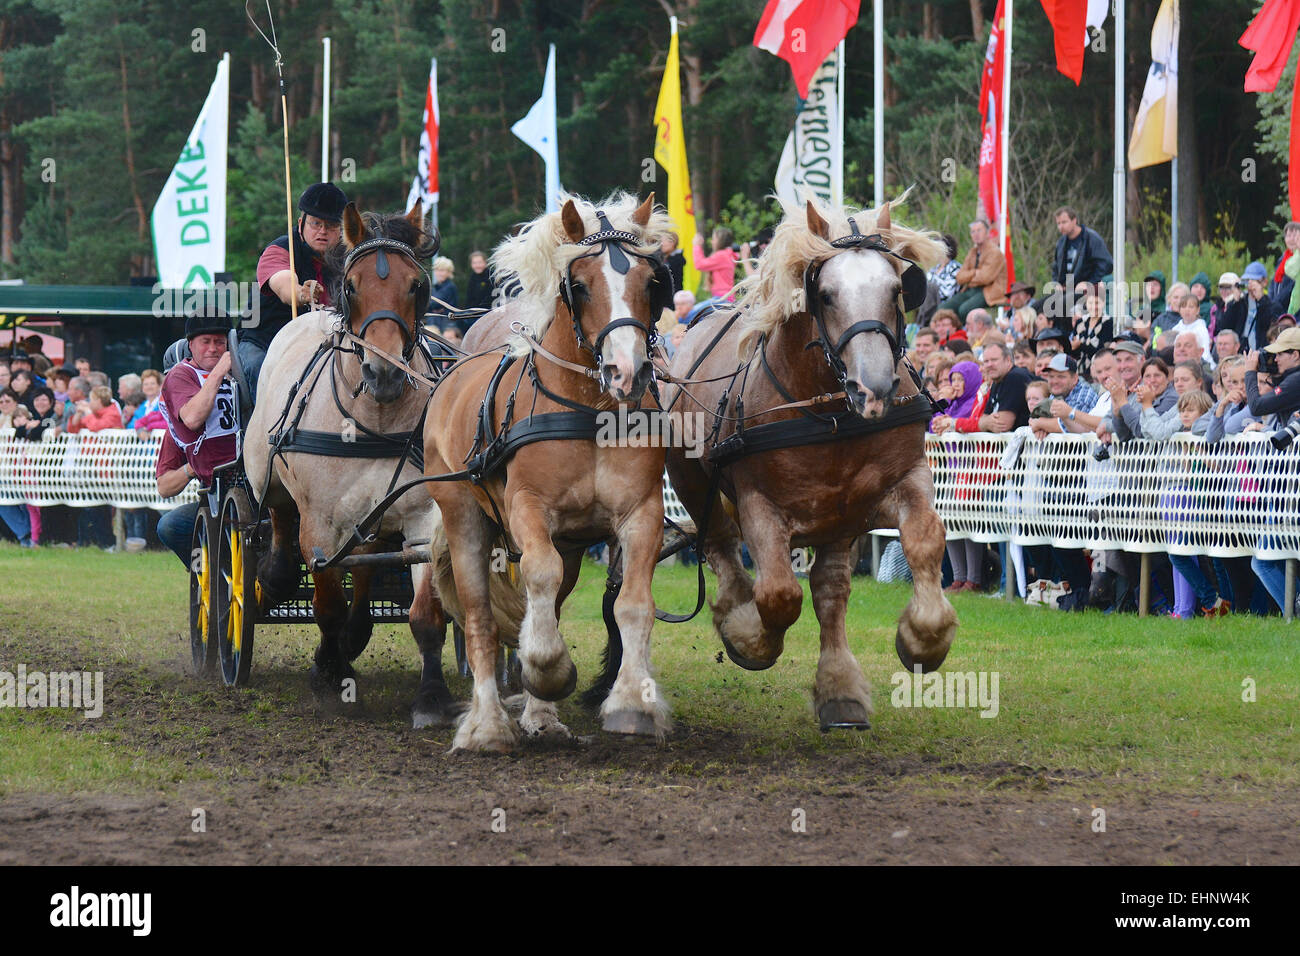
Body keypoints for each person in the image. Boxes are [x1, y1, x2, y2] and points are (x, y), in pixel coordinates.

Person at [243, 181, 348, 399]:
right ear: (301, 223)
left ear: (341, 231)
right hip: (264, 341)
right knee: (258, 368)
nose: (322, 231)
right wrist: (301, 293)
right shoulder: (279, 249)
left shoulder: (348, 261)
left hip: (321, 345)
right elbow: (284, 285)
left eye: (330, 226)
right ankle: (259, 431)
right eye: (316, 223)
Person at [161, 310, 239, 487]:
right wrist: (219, 371)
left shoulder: (238, 369)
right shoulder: (180, 374)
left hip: (249, 459)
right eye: (206, 342)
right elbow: (193, 418)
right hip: (216, 472)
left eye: (219, 342)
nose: (213, 348)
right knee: (172, 517)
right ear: (190, 345)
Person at [938, 218, 1007, 320]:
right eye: (973, 231)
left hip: (989, 292)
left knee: (964, 310)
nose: (976, 234)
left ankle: (963, 334)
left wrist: (969, 277)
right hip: (970, 290)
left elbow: (985, 278)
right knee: (943, 309)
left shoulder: (995, 253)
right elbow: (959, 277)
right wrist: (975, 273)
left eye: (979, 230)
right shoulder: (973, 252)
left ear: (987, 233)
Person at [1051, 206, 1113, 290]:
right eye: (1058, 223)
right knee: (1039, 303)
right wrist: (1057, 283)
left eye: (1064, 222)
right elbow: (1055, 267)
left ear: (1074, 221)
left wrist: (1090, 283)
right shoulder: (1061, 243)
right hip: (1066, 290)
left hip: (1087, 291)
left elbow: (1106, 264)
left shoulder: (1091, 238)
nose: (1061, 227)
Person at [1222, 261, 1276, 352]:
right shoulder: (1240, 303)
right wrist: (1235, 301)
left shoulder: (1270, 304)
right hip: (1240, 351)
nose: (1250, 284)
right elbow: (1224, 326)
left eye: (1254, 280)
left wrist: (1261, 300)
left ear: (1264, 282)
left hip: (1260, 352)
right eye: (1247, 280)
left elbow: (1267, 324)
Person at [692, 227, 741, 304]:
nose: (711, 242)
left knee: (691, 314)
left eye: (713, 239)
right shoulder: (727, 254)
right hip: (726, 297)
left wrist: (697, 246)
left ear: (720, 241)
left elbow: (699, 264)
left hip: (722, 298)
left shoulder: (722, 256)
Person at [1269, 221, 1300, 314]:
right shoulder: (1282, 259)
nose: (1291, 239)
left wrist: (1276, 303)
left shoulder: (1297, 260)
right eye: (1288, 236)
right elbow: (1273, 283)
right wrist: (1271, 301)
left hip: (1292, 309)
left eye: (1295, 236)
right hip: (1277, 307)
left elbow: (1292, 286)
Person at [430, 256, 458, 321]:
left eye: (442, 270)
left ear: (449, 272)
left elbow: (435, 304)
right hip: (434, 321)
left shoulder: (450, 287)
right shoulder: (436, 287)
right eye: (437, 270)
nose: (439, 273)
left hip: (446, 324)